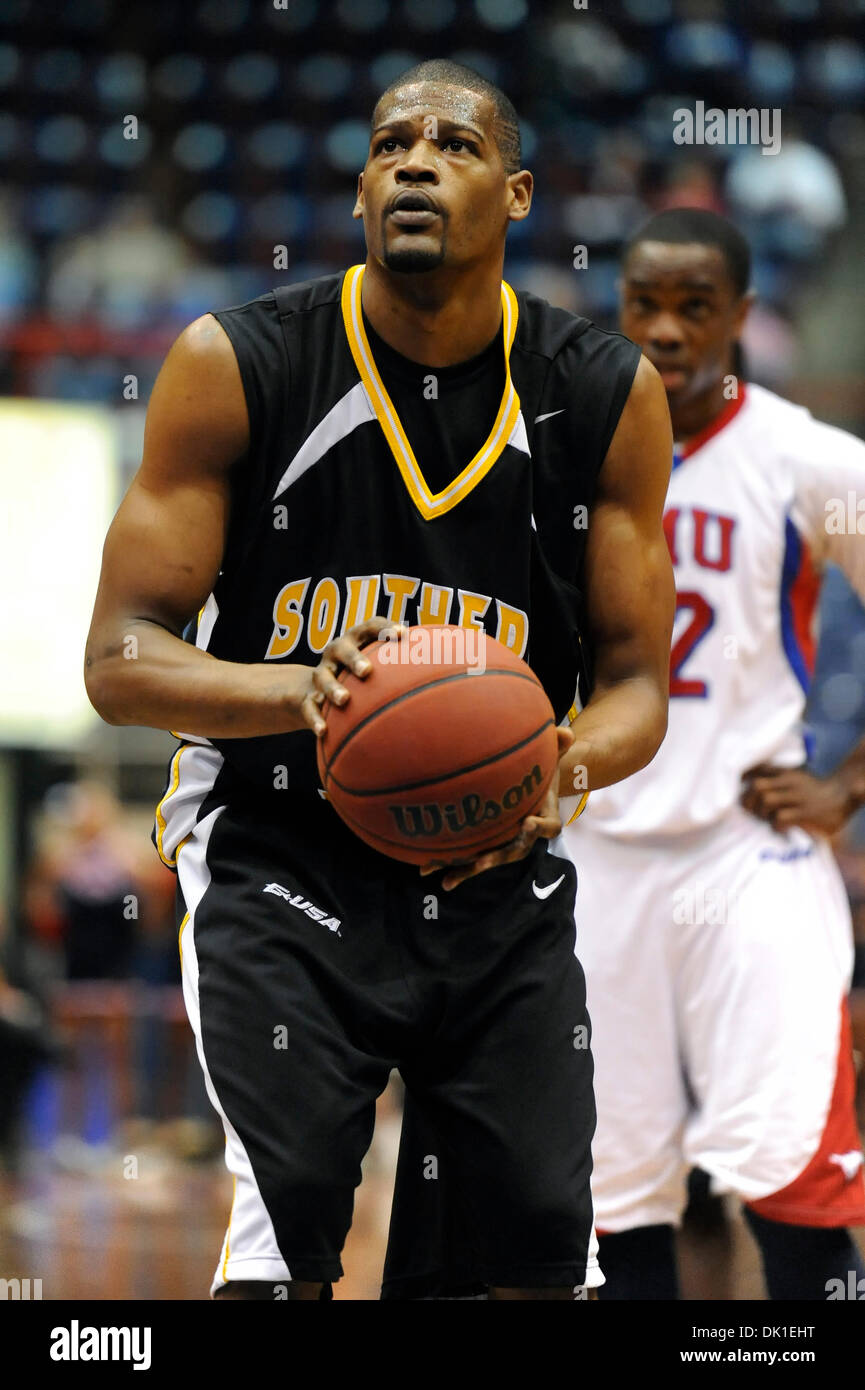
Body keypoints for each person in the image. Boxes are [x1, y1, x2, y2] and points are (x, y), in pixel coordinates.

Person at [83, 59, 674, 1301]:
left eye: (452, 144)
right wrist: (299, 692)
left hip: (492, 860)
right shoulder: (236, 362)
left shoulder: (603, 394)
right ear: (359, 188)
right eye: (390, 142)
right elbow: (120, 656)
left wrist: (557, 768)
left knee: (532, 1240)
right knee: (289, 1214)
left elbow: (634, 687)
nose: (413, 159)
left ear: (515, 195)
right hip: (278, 848)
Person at [384, 208, 865, 1301]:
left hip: (748, 862)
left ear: (741, 317)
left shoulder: (804, 456)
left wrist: (843, 786)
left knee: (796, 1173)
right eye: (643, 304)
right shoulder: (546, 446)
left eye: (695, 308)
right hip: (588, 862)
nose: (664, 329)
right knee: (606, 1197)